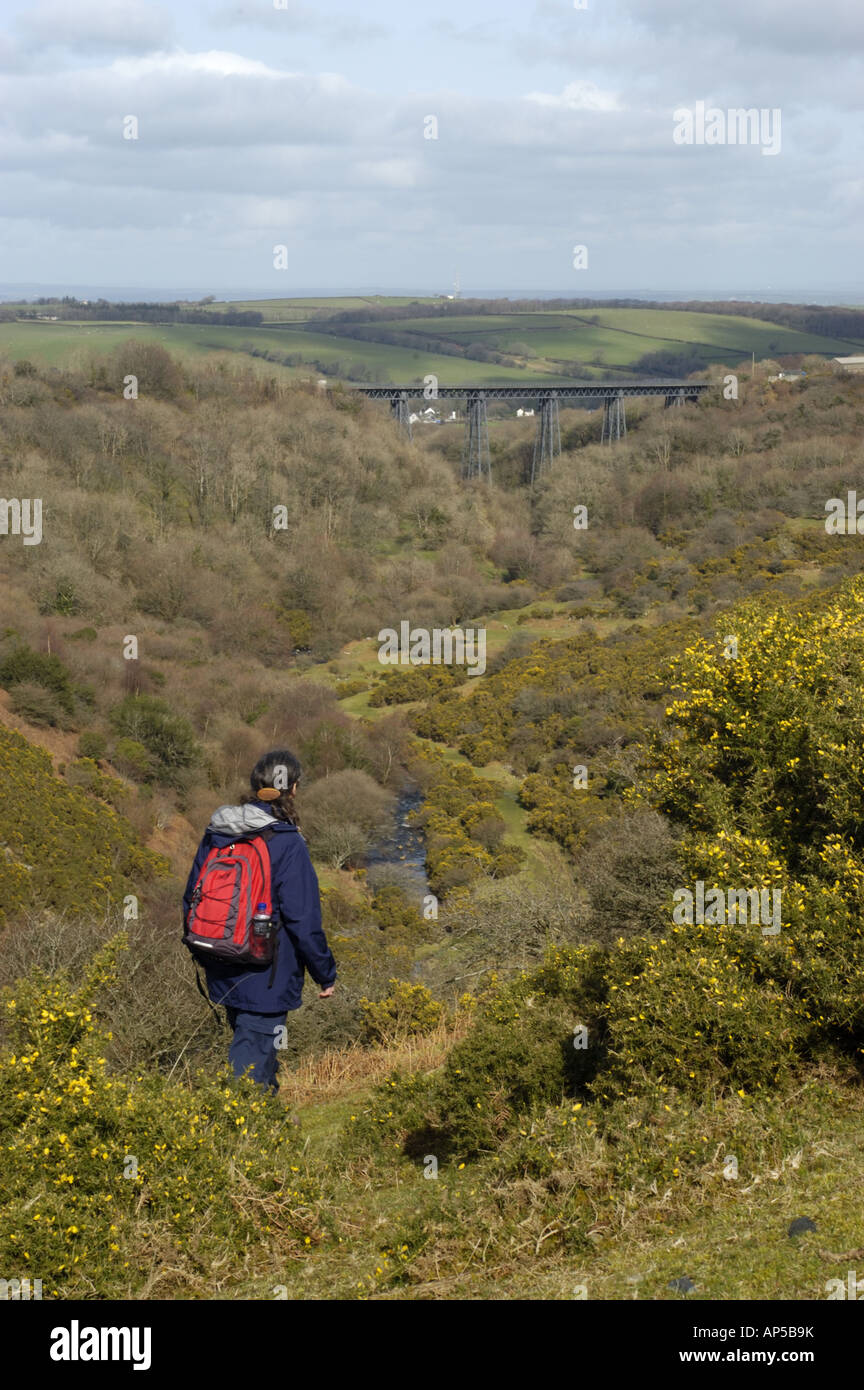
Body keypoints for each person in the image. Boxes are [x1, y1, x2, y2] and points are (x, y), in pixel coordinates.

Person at [183, 748, 337, 1092]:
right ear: (293, 789)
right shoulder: (287, 842)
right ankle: (239, 1131)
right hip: (266, 972)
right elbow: (303, 919)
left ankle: (268, 1125)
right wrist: (324, 973)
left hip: (221, 960)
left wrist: (205, 949)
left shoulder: (218, 832)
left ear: (254, 786)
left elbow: (191, 897)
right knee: (250, 1059)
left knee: (257, 1046)